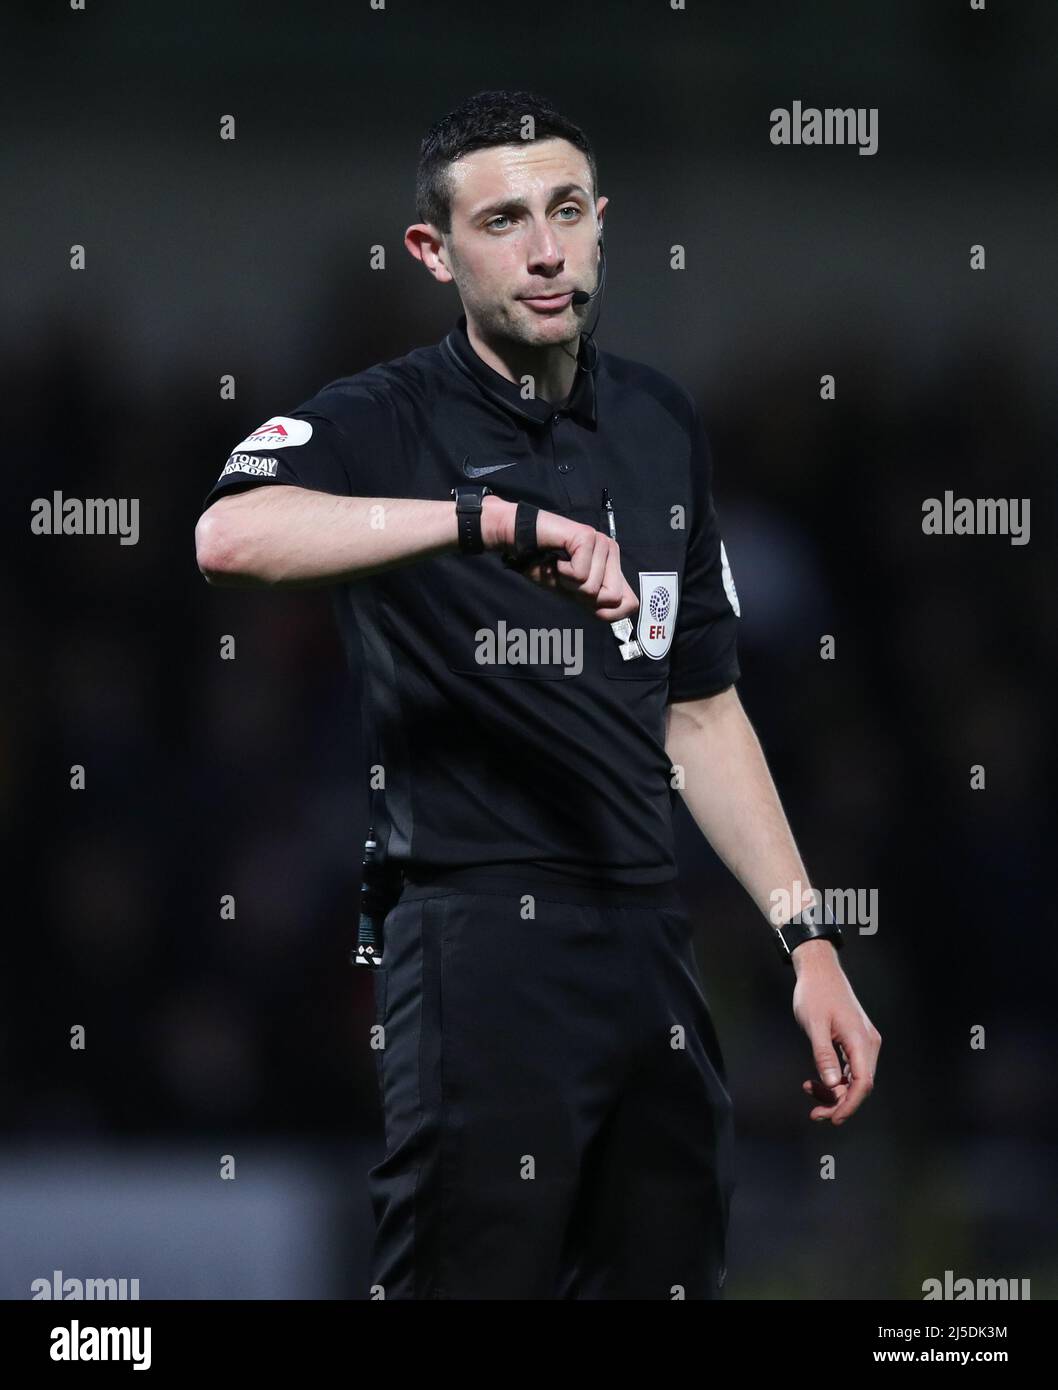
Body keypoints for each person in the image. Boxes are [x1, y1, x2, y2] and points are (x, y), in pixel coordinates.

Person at [194, 89, 881, 1300]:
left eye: (565, 210)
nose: (545, 248)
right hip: (471, 938)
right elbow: (230, 533)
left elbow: (701, 710)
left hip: (647, 940)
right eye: (503, 220)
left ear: (603, 221)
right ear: (432, 251)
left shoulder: (661, 423)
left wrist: (806, 935)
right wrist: (482, 522)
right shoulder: (386, 418)